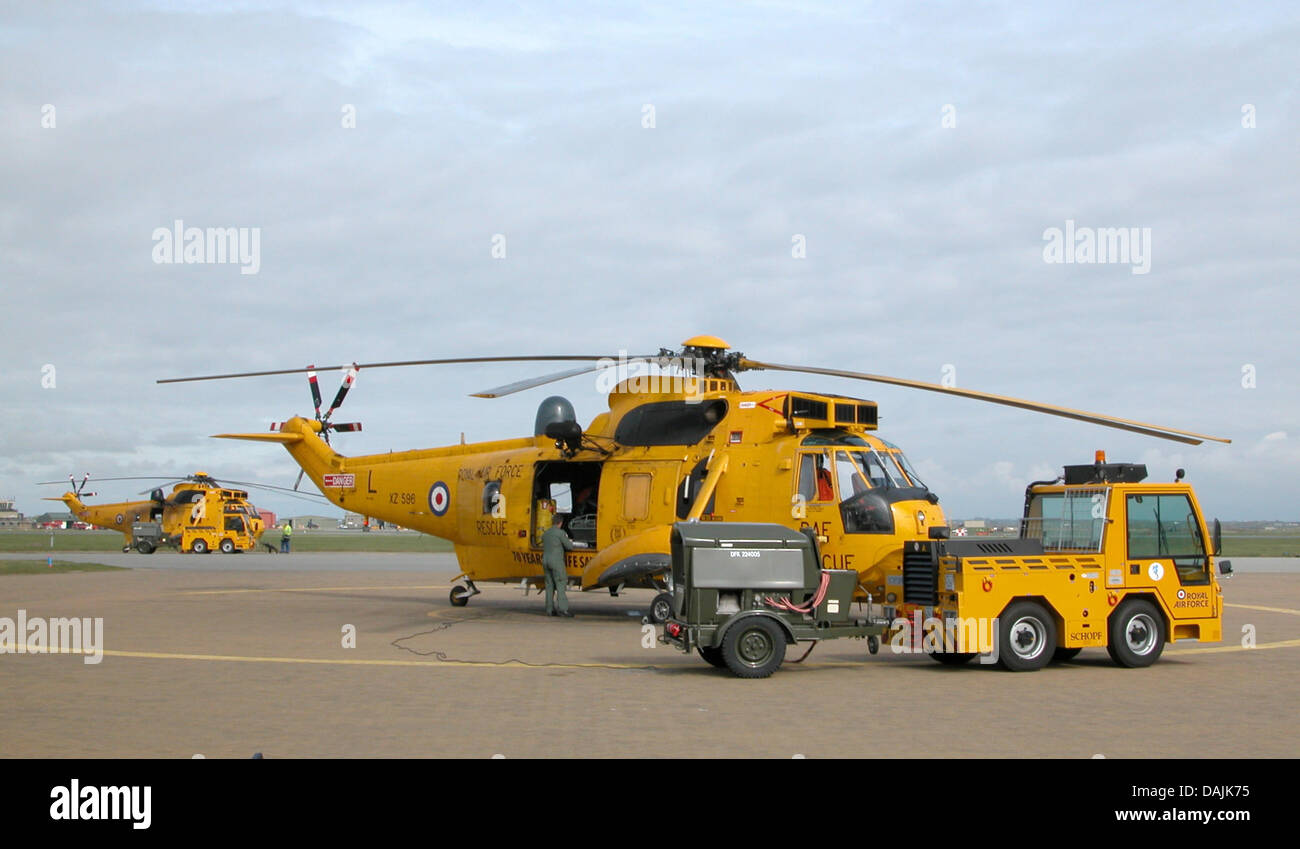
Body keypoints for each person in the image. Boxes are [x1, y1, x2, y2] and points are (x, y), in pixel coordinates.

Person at [541, 514, 579, 617]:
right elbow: (569, 546)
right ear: (560, 523)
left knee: (549, 585)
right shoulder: (560, 533)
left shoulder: (546, 533)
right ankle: (563, 609)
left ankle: (549, 610)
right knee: (561, 583)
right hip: (556, 561)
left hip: (545, 561)